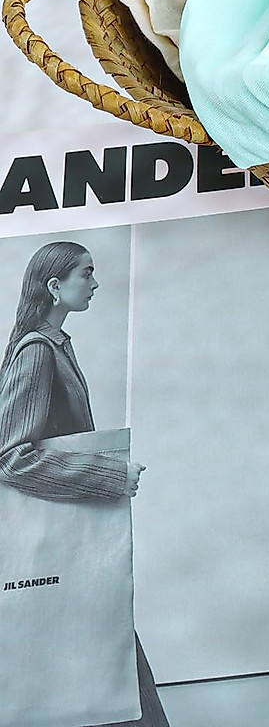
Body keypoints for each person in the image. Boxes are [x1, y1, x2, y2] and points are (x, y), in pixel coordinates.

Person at [0, 241, 169, 727]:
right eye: (86, 273)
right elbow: (10, 456)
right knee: (109, 669)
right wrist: (109, 475)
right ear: (55, 286)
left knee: (106, 669)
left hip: (67, 552)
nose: (95, 283)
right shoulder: (36, 351)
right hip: (63, 553)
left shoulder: (52, 346)